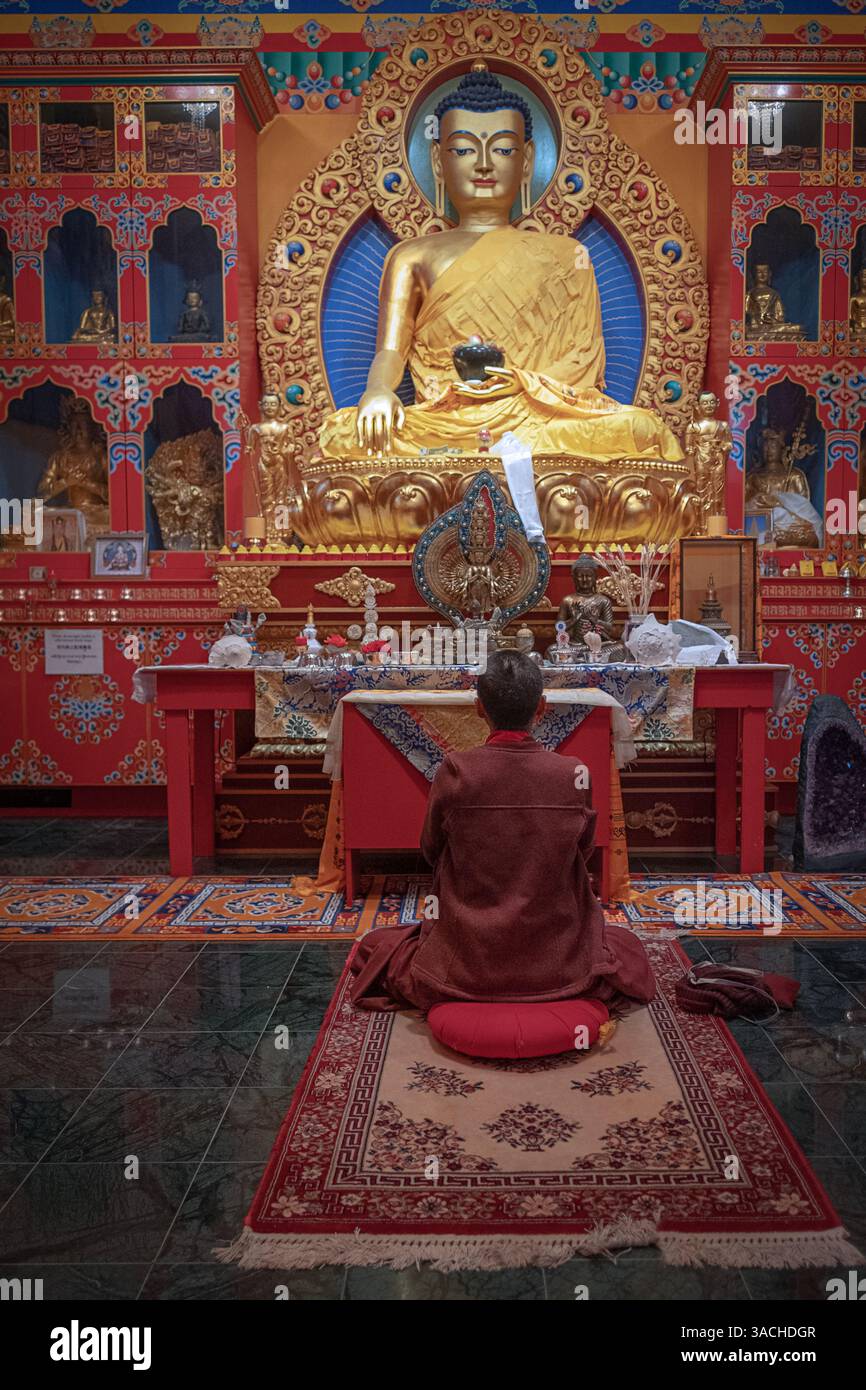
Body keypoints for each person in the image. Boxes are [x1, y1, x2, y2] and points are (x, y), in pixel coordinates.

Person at [318, 63, 682, 463]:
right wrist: (378, 392)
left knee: (641, 430)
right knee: (345, 436)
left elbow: (582, 364)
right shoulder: (411, 256)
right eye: (463, 150)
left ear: (527, 160)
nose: (484, 163)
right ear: (438, 161)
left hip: (539, 419)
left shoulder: (567, 254)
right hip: (446, 421)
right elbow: (390, 351)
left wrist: (516, 385)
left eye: (504, 149)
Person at [349, 649, 655, 1012]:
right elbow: (582, 853)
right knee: (626, 948)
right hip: (557, 954)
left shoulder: (457, 770)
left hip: (469, 954)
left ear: (479, 707)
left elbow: (431, 849)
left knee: (376, 946)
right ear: (541, 706)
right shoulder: (572, 773)